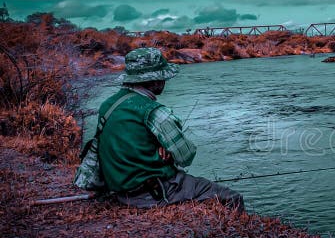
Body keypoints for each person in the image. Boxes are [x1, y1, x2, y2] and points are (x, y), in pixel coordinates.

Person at [78, 47, 244, 211]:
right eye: (163, 77)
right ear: (155, 80)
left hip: (120, 190)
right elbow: (186, 155)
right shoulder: (155, 112)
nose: (165, 82)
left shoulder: (107, 105)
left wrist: (159, 145)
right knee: (233, 197)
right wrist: (167, 150)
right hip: (152, 193)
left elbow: (128, 141)